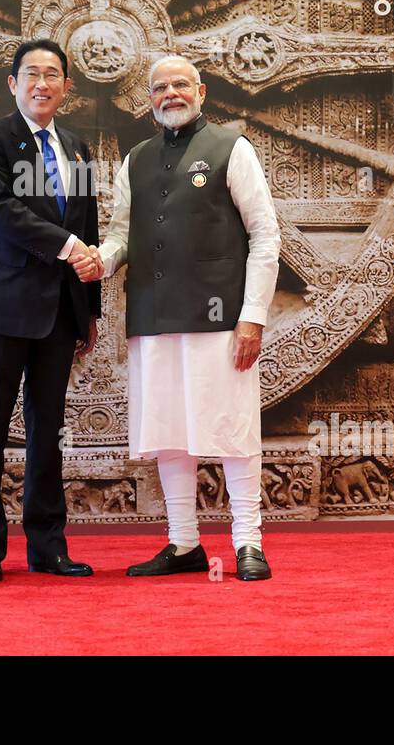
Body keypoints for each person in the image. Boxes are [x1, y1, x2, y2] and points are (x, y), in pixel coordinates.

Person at [73, 55, 281, 581]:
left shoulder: (232, 149)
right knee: (169, 431)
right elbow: (122, 234)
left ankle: (248, 543)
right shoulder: (135, 160)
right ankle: (183, 543)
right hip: (153, 315)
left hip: (221, 317)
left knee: (233, 428)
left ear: (202, 92)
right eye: (160, 88)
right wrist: (103, 259)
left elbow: (265, 235)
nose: (171, 94)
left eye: (180, 85)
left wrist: (252, 317)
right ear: (149, 100)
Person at [0, 38, 101, 583]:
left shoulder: (78, 147)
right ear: (12, 84)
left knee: (49, 430)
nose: (42, 83)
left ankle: (48, 548)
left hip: (60, 311)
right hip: (3, 303)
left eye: (53, 74)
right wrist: (67, 248)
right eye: (31, 73)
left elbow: (87, 224)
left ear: (67, 86)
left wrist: (88, 308)